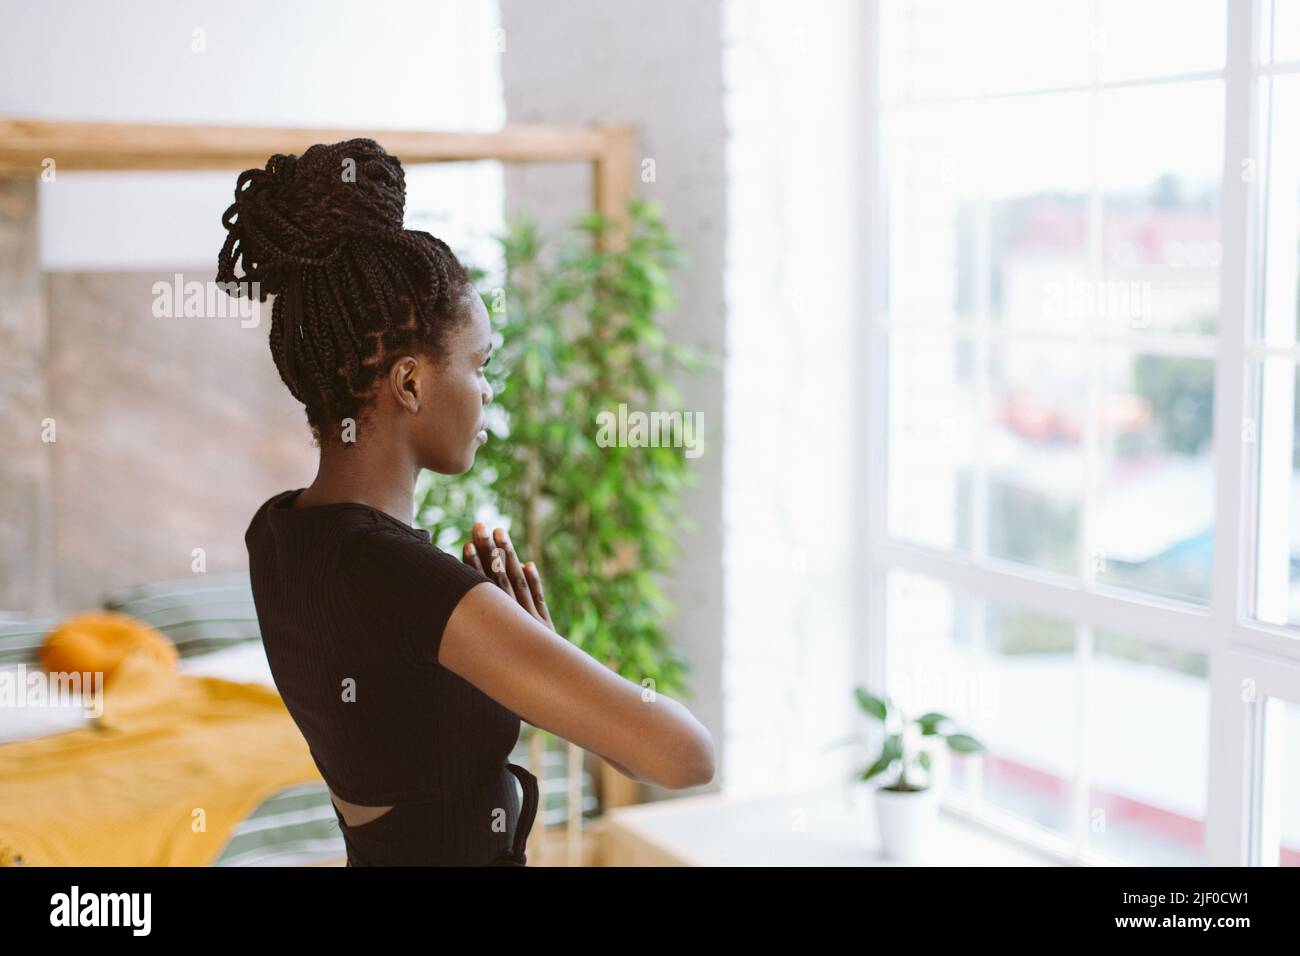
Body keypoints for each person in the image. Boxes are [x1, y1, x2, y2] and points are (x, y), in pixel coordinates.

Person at [218, 138, 715, 866]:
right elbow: (686, 755)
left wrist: (530, 657)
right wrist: (540, 650)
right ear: (410, 383)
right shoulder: (411, 583)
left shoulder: (277, 535)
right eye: (480, 364)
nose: (488, 392)